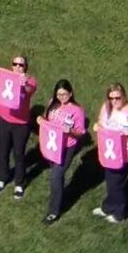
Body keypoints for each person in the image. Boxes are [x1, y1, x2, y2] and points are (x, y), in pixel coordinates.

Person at [90, 82, 128, 223]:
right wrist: (98, 126)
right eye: (111, 98)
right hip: (109, 151)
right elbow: (101, 122)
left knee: (114, 183)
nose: (114, 101)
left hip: (125, 155)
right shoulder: (106, 108)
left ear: (124, 96)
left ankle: (119, 213)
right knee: (111, 180)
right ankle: (108, 207)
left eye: (118, 98)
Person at [35, 79, 86, 223]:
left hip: (66, 147)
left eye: (64, 95)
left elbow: (80, 133)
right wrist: (40, 119)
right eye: (59, 95)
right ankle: (59, 194)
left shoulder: (77, 111)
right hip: (52, 144)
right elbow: (46, 118)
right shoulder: (53, 103)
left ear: (70, 94)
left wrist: (70, 131)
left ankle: (54, 211)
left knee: (55, 177)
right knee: (57, 175)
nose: (61, 98)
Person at [0, 55, 38, 198]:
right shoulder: (6, 76)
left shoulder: (30, 81)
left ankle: (19, 183)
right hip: (4, 120)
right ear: (11, 65)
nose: (17, 67)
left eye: (21, 65)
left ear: (25, 67)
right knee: (3, 151)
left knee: (19, 154)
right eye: (15, 64)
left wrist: (24, 84)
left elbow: (30, 90)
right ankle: (2, 178)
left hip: (20, 125)